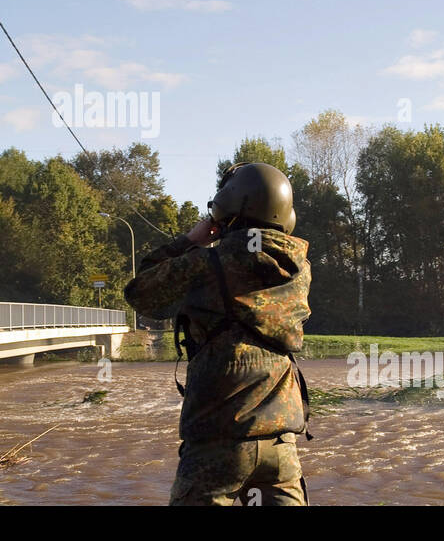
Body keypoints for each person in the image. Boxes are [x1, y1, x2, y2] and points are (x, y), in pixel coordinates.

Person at [123, 161, 313, 506]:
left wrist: (190, 241)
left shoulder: (205, 265)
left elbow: (141, 294)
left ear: (230, 205)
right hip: (281, 443)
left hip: (219, 439)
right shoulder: (299, 269)